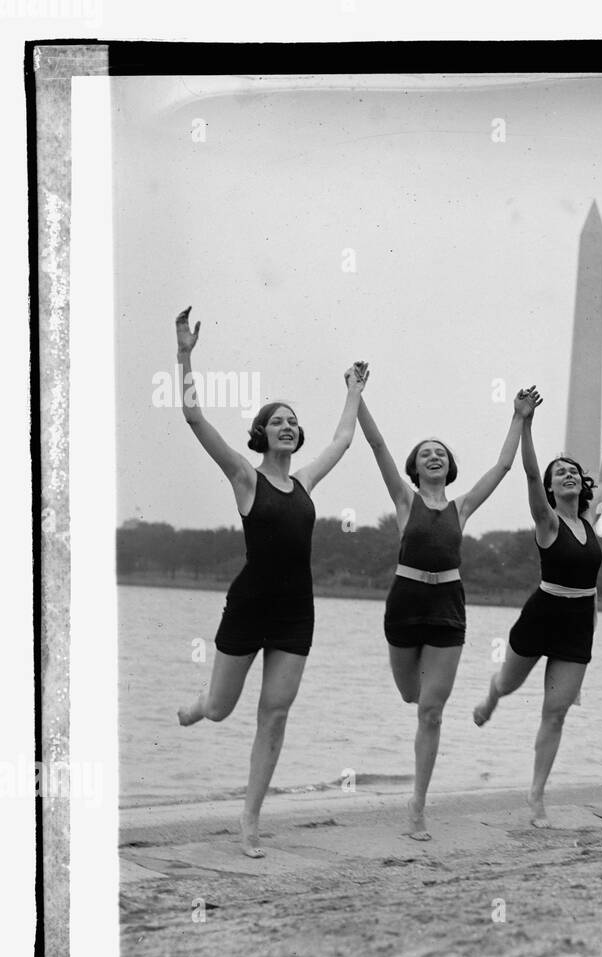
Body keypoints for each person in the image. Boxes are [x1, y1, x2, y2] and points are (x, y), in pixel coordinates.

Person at [173, 307, 366, 857]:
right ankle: (201, 704)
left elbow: (344, 439)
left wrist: (353, 388)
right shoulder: (244, 477)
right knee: (221, 710)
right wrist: (185, 354)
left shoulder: (305, 482)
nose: (287, 425)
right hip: (249, 607)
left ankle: (251, 818)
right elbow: (193, 419)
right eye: (277, 419)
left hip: (296, 614)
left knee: (275, 713)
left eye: (292, 420)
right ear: (262, 433)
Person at [356, 384, 541, 839]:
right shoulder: (405, 501)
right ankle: (419, 737)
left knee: (431, 712)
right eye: (425, 454)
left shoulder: (462, 507)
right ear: (415, 467)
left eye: (441, 453)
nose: (434, 457)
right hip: (404, 604)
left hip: (447, 610)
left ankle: (417, 804)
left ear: (449, 466)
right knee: (409, 695)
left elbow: (501, 466)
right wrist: (357, 396)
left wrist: (519, 418)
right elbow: (378, 445)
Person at [473, 416, 602, 827]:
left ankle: (537, 794)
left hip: (578, 625)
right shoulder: (547, 521)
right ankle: (491, 696)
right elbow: (529, 472)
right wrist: (525, 425)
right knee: (508, 685)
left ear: (581, 484)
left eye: (573, 473)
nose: (568, 476)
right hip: (541, 615)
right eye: (559, 473)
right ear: (550, 488)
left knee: (556, 713)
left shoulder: (591, 520)